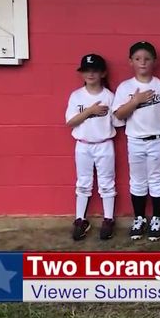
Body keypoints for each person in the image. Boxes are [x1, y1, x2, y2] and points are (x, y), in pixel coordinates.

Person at [112, 41, 160, 241]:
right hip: (135, 139)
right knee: (138, 180)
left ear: (154, 62)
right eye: (138, 59)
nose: (143, 62)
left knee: (157, 179)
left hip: (157, 139)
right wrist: (135, 101)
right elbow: (119, 114)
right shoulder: (126, 87)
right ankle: (139, 218)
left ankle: (158, 218)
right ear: (130, 61)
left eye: (147, 59)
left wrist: (155, 123)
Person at [65, 53, 119, 241]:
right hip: (83, 144)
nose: (90, 74)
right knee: (83, 183)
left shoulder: (109, 96)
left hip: (104, 144)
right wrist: (90, 111)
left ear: (102, 73)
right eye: (87, 71)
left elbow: (118, 122)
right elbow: (71, 121)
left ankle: (109, 219)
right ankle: (80, 219)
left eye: (95, 71)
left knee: (107, 183)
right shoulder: (76, 96)